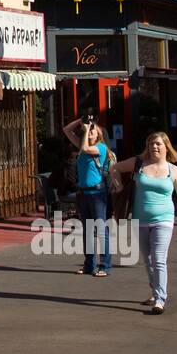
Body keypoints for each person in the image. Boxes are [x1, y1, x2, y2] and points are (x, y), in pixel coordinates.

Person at [111, 132, 177, 315]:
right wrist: (118, 186)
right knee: (148, 260)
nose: (154, 147)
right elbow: (114, 168)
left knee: (159, 259)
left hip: (164, 219)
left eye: (158, 144)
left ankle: (160, 299)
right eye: (151, 144)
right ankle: (154, 291)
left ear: (167, 146)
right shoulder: (139, 164)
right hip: (140, 220)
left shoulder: (173, 171)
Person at [63, 116, 112, 277]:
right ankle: (89, 265)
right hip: (83, 194)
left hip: (97, 194)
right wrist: (81, 121)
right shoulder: (82, 145)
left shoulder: (101, 148)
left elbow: (84, 148)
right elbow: (66, 130)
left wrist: (85, 131)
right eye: (89, 131)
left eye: (93, 131)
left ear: (98, 135)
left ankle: (104, 265)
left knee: (101, 229)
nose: (89, 132)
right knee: (87, 231)